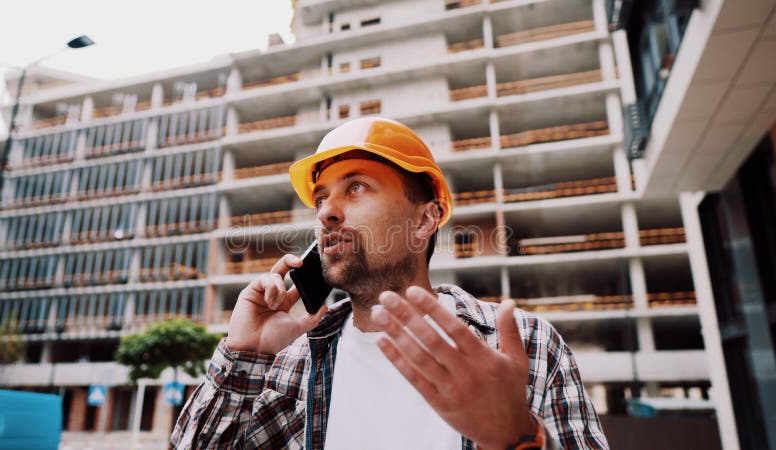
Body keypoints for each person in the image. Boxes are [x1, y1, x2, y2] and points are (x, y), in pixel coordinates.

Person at [170, 117, 608, 450]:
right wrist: (244, 358)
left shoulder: (524, 344)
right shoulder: (291, 362)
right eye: (321, 198)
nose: (326, 212)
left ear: (424, 219)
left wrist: (520, 438)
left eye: (356, 188)